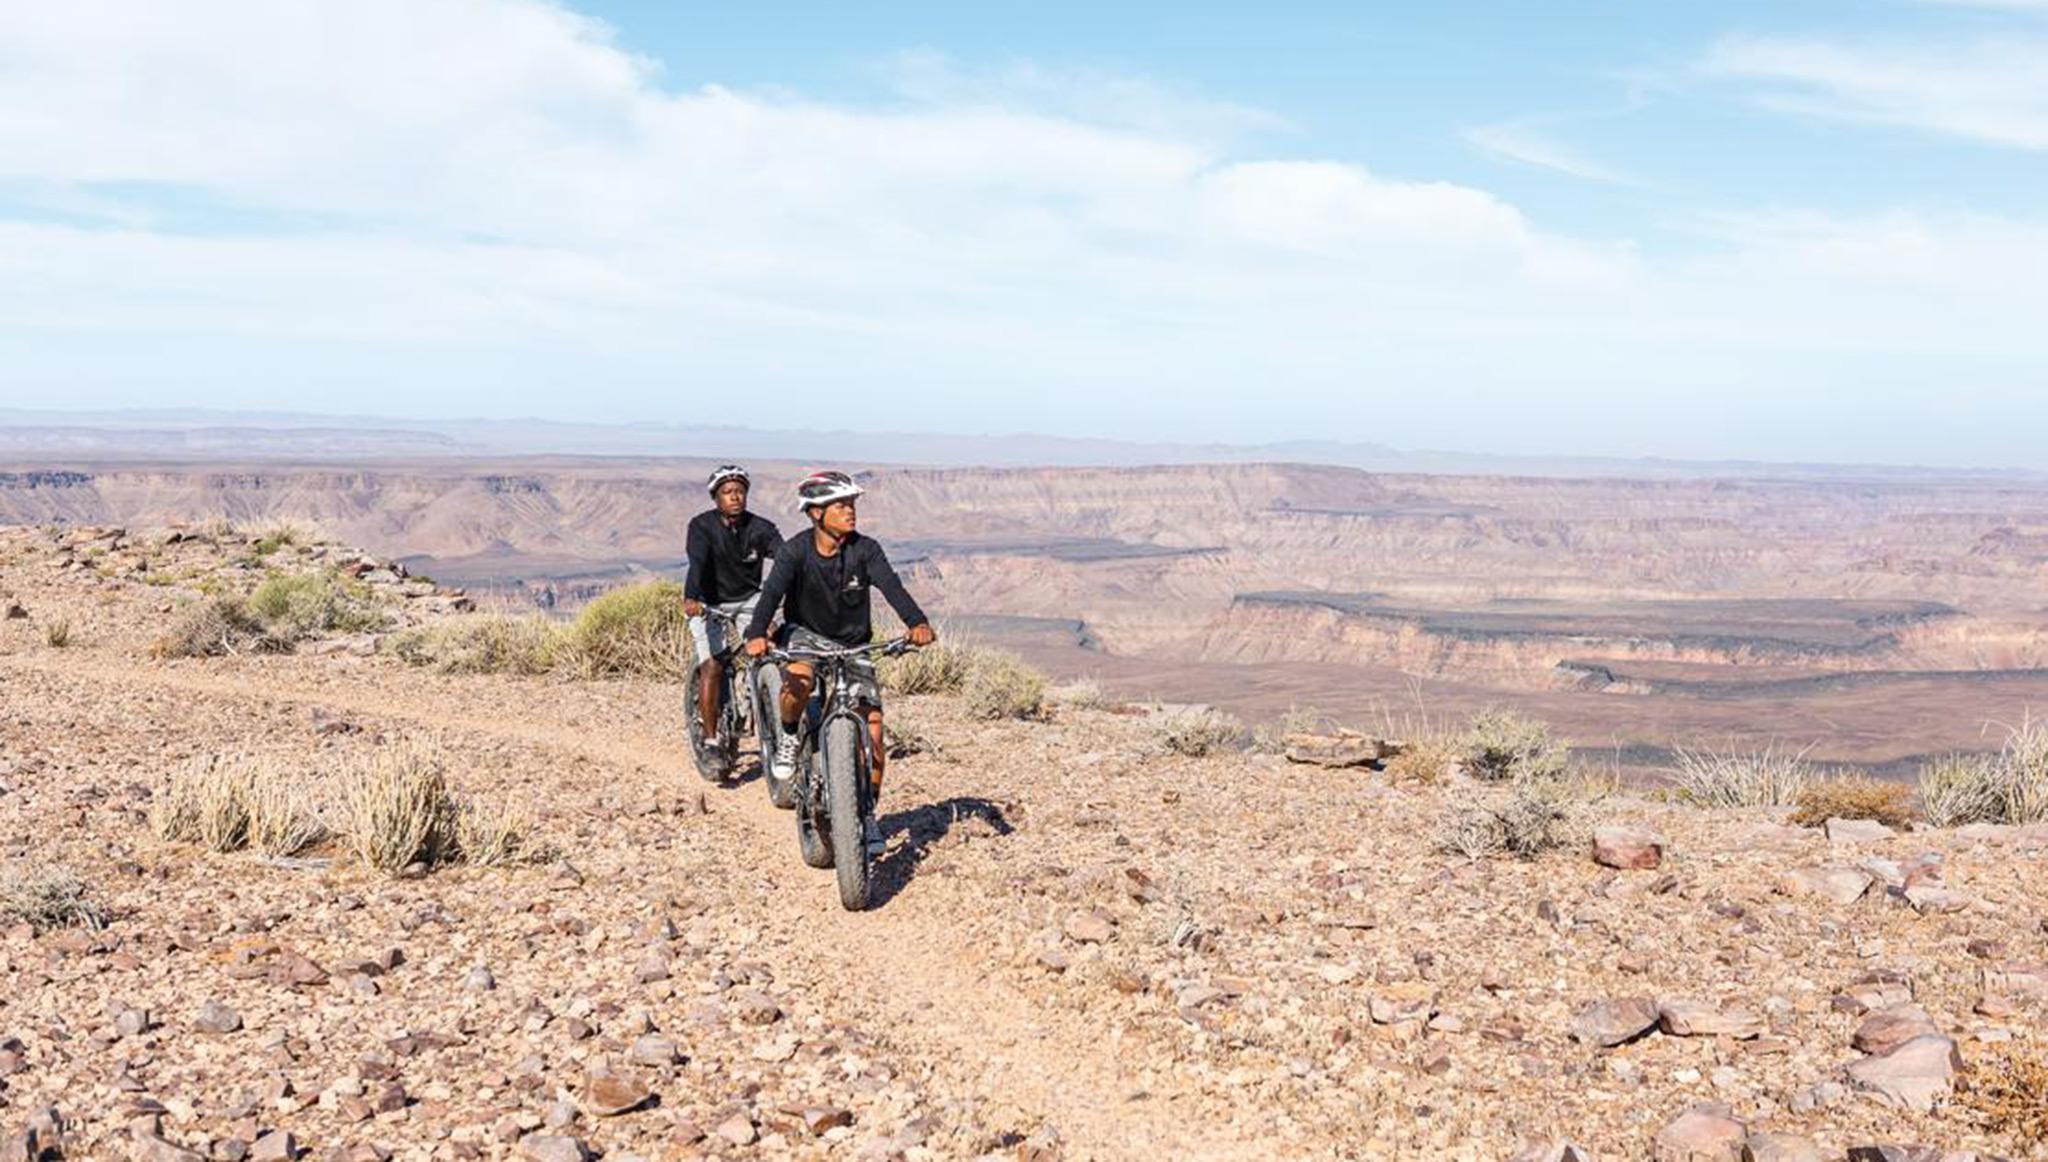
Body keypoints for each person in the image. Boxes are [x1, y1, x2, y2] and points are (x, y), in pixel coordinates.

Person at [745, 470, 936, 851]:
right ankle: (787, 735)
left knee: (875, 733)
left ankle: (865, 815)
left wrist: (916, 622)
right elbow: (771, 594)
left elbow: (892, 587)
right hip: (805, 634)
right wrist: (756, 633)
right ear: (816, 513)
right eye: (840, 505)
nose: (850, 511)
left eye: (852, 504)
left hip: (853, 643)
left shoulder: (866, 550)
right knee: (797, 680)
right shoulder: (795, 551)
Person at [683, 465, 782, 769]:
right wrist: (692, 597)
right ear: (716, 498)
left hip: (748, 600)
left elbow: (786, 557)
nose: (735, 497)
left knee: (768, 647)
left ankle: (776, 725)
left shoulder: (761, 528)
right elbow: (697, 561)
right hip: (708, 601)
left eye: (740, 491)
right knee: (712, 664)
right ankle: (711, 740)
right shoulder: (701, 526)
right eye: (727, 492)